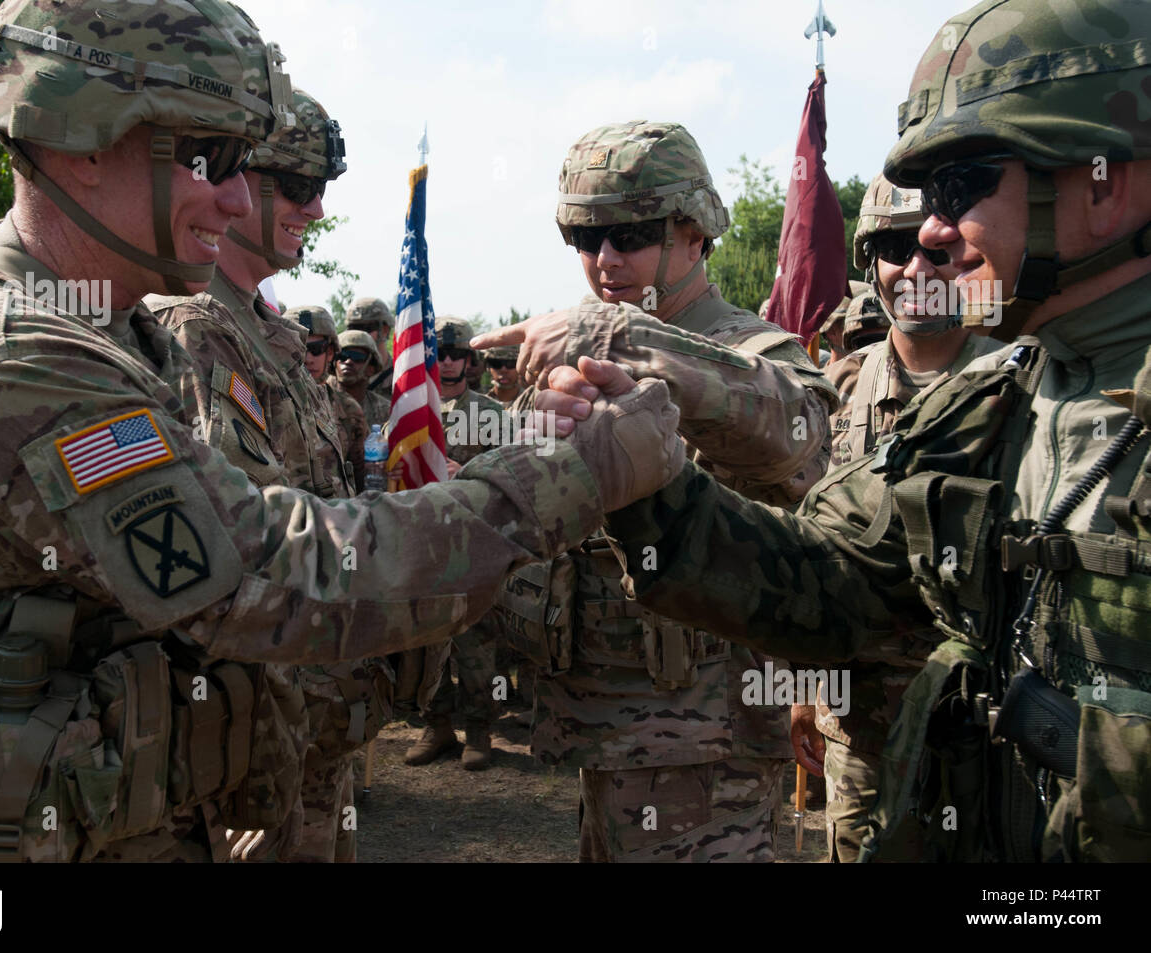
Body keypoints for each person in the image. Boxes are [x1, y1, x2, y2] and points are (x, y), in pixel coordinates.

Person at [0, 0, 685, 863]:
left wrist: (525, 455)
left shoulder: (110, 335)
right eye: (209, 158)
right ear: (82, 140)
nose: (239, 197)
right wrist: (570, 475)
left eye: (246, 163)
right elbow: (264, 572)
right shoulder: (11, 361)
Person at [581, 0, 1151, 863]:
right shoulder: (1001, 401)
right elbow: (834, 581)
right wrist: (654, 493)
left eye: (962, 185)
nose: (930, 231)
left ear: (1101, 181)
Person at [477, 121, 835, 862]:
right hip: (607, 725)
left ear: (692, 230)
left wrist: (619, 341)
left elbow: (801, 441)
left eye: (631, 233)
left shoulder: (749, 352)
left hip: (712, 739)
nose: (606, 259)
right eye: (585, 235)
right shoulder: (576, 352)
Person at [146, 89, 391, 863]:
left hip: (308, 723)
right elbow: (242, 550)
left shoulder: (263, 332)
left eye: (322, 190)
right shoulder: (195, 328)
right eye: (298, 186)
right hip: (251, 738)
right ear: (239, 176)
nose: (314, 209)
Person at [792, 172, 1004, 863]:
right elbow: (809, 546)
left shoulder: (1015, 381)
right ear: (867, 263)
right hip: (861, 727)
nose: (915, 267)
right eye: (891, 246)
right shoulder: (839, 391)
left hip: (982, 725)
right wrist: (799, 687)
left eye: (933, 249)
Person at [403, 317, 508, 770]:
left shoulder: (489, 413)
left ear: (470, 361)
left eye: (456, 354)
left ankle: (480, 729)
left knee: (476, 639)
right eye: (439, 353)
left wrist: (460, 471)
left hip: (472, 543)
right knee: (427, 638)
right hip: (422, 541)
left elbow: (507, 478)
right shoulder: (409, 409)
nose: (447, 362)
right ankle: (437, 723)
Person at [292, 304, 369, 491]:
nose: (308, 358)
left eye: (316, 349)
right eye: (299, 347)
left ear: (331, 352)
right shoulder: (267, 403)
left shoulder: (348, 409)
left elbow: (362, 475)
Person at [332, 328, 389, 428]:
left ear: (371, 369)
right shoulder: (317, 403)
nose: (348, 361)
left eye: (357, 357)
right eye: (343, 356)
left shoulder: (385, 411)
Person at [346, 296, 394, 399]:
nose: (359, 334)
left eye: (366, 329)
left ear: (385, 330)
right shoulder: (339, 376)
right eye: (353, 328)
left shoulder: (401, 379)